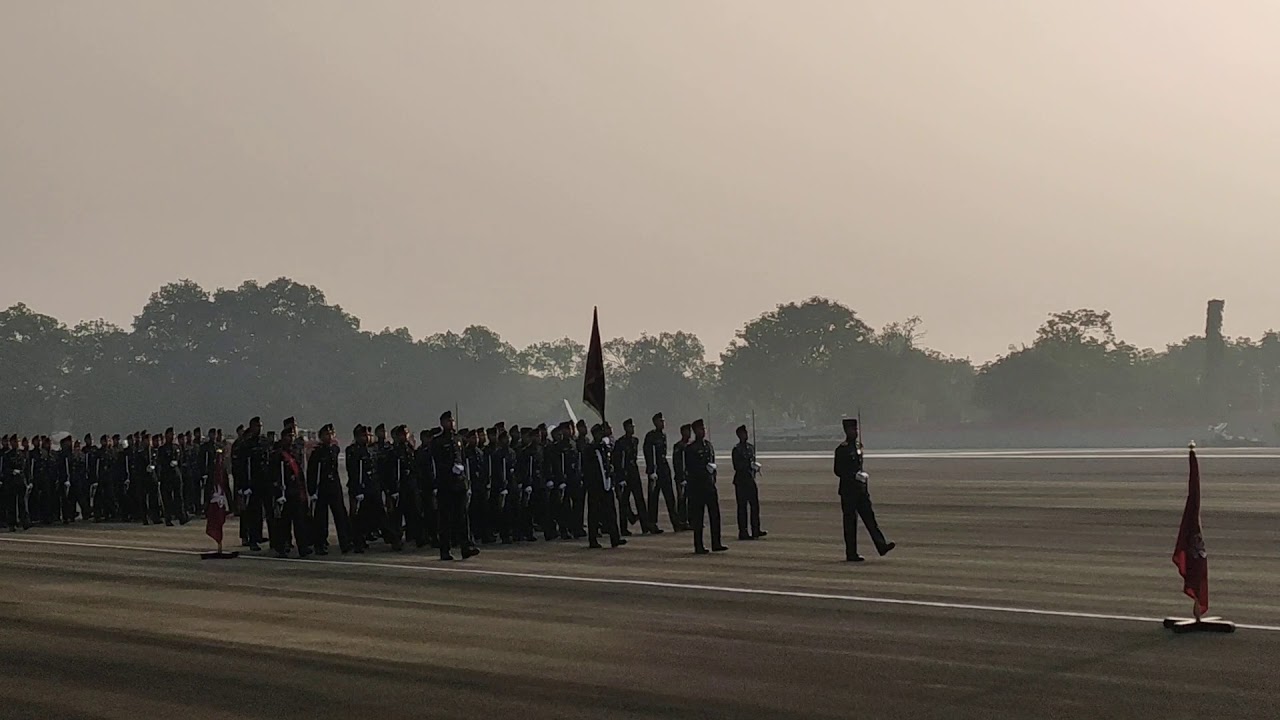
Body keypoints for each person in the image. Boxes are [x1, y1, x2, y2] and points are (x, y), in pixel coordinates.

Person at [833, 418, 895, 562]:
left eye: (856, 430)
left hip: (860, 490)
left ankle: (881, 546)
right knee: (850, 523)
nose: (855, 432)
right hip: (848, 491)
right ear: (846, 431)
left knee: (870, 519)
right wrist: (853, 475)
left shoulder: (858, 446)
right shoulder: (842, 449)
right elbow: (838, 470)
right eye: (852, 430)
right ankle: (851, 553)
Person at [431, 411, 478, 561]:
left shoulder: (458, 439)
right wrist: (448, 469)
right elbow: (435, 462)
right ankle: (445, 549)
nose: (451, 423)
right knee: (445, 518)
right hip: (445, 484)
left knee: (463, 516)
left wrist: (466, 480)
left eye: (452, 420)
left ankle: (466, 546)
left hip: (459, 483)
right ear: (442, 423)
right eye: (448, 421)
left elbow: (463, 459)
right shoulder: (437, 441)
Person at [307, 423, 354, 555]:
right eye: (327, 434)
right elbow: (312, 473)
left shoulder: (334, 450)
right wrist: (312, 491)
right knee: (321, 518)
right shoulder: (317, 453)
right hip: (322, 488)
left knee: (340, 515)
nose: (330, 436)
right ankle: (320, 544)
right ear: (321, 437)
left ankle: (345, 542)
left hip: (334, 487)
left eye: (331, 434)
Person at [684, 419, 727, 554]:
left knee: (715, 515)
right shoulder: (690, 449)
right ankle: (699, 545)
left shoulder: (708, 446)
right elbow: (691, 468)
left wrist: (713, 476)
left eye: (704, 429)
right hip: (697, 486)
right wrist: (704, 470)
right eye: (700, 429)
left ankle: (716, 542)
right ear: (695, 431)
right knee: (699, 518)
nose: (703, 431)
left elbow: (712, 462)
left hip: (709, 485)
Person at [269, 425, 312, 558]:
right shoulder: (278, 455)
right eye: (289, 436)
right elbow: (276, 475)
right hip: (285, 494)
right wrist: (279, 494)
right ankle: (281, 547)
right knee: (283, 524)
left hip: (295, 493)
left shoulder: (293, 453)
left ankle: (303, 547)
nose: (291, 439)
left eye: (292, 436)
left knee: (299, 523)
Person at [612, 418, 661, 535]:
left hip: (634, 472)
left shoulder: (635, 441)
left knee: (640, 501)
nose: (632, 429)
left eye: (633, 427)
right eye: (630, 427)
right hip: (625, 473)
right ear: (625, 428)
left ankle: (645, 525)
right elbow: (618, 461)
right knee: (624, 502)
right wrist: (620, 477)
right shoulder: (620, 443)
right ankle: (624, 528)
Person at [583, 423, 624, 549]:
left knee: (611, 512)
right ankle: (593, 539)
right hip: (595, 485)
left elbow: (609, 460)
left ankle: (615, 538)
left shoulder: (604, 447)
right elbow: (587, 468)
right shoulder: (589, 449)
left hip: (606, 483)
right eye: (599, 433)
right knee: (594, 513)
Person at [644, 413, 685, 532]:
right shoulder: (650, 436)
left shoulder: (663, 436)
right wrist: (651, 471)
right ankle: (652, 523)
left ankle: (675, 522)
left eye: (663, 421)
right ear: (655, 422)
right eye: (660, 421)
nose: (663, 423)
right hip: (656, 470)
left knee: (670, 497)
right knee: (653, 498)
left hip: (664, 469)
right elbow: (649, 454)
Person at [731, 424, 766, 540]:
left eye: (746, 433)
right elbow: (737, 466)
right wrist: (748, 465)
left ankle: (756, 529)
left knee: (755, 506)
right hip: (741, 480)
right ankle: (743, 531)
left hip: (750, 479)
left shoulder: (751, 448)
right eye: (742, 433)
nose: (745, 435)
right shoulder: (736, 449)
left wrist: (754, 467)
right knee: (742, 507)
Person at [157, 427, 189, 526]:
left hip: (176, 475)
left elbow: (181, 460)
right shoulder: (162, 449)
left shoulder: (177, 448)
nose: (172, 436)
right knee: (167, 499)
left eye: (173, 435)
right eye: (171, 434)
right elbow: (160, 463)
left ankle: (182, 517)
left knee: (179, 497)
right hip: (166, 476)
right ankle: (168, 519)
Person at [672, 423, 692, 529]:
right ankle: (682, 521)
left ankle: (690, 519)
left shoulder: (691, 445)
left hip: (691, 476)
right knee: (682, 499)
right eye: (687, 431)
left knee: (691, 499)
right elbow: (677, 463)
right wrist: (681, 477)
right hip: (681, 477)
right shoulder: (679, 446)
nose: (689, 433)